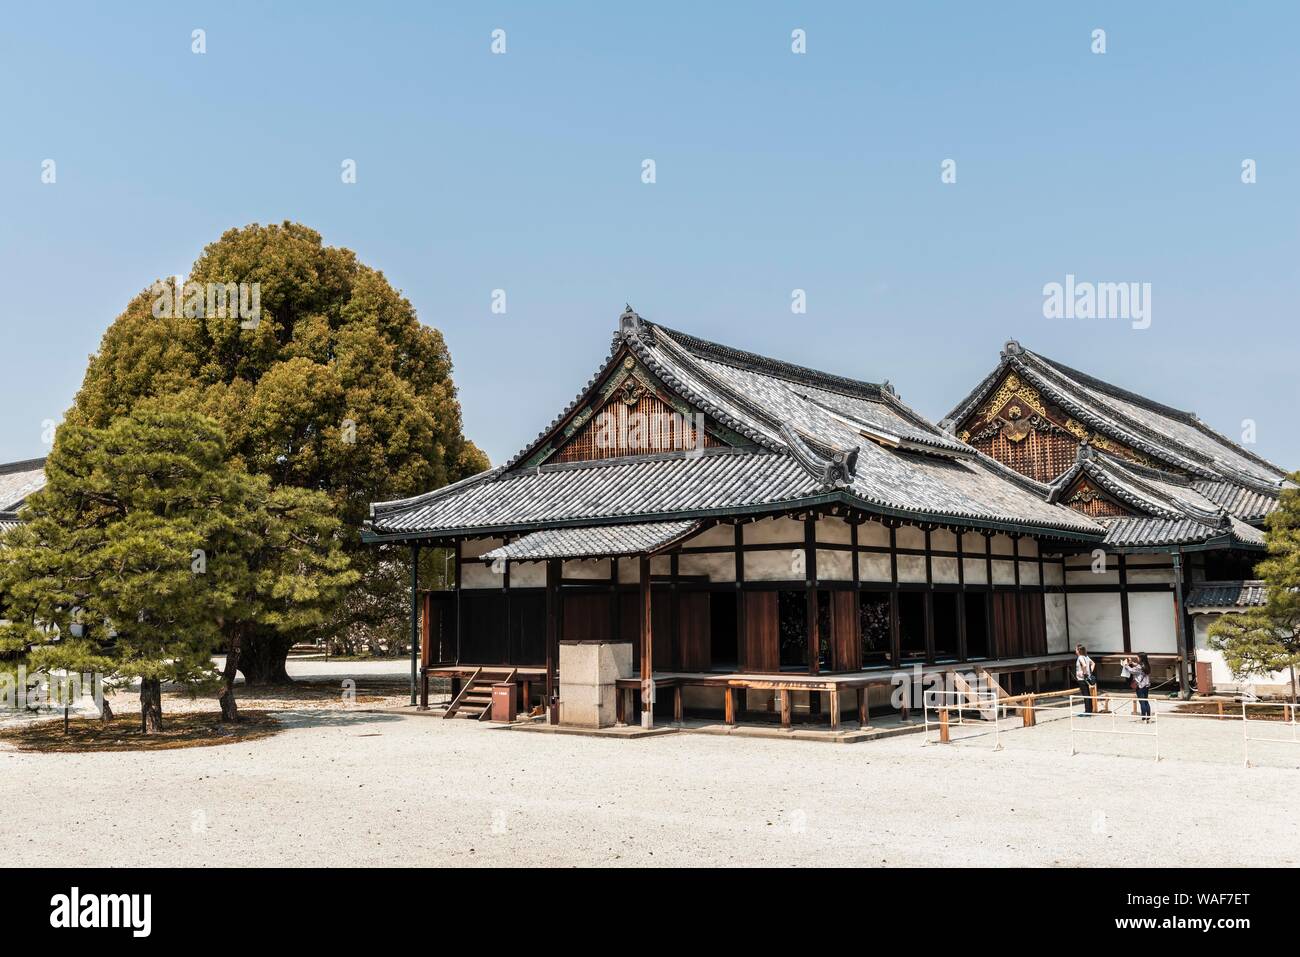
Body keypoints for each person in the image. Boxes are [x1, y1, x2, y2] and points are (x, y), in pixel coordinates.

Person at [1124, 653, 1152, 721]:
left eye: (1138, 658)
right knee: (1146, 701)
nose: (1137, 659)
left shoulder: (1139, 667)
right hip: (1146, 685)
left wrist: (1126, 665)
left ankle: (1143, 717)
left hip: (1140, 686)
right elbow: (1138, 666)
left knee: (1142, 702)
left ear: (1141, 658)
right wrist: (1132, 663)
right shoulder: (1146, 665)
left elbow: (1132, 671)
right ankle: (1148, 716)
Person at [1075, 644, 1096, 714]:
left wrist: (1084, 673)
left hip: (1082, 678)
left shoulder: (1080, 657)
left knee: (1085, 694)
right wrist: (1090, 672)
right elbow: (1093, 663)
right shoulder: (1086, 657)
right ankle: (1090, 709)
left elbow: (1084, 665)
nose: (1075, 650)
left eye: (1076, 649)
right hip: (1087, 678)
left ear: (1079, 650)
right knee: (1088, 694)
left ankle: (1087, 711)